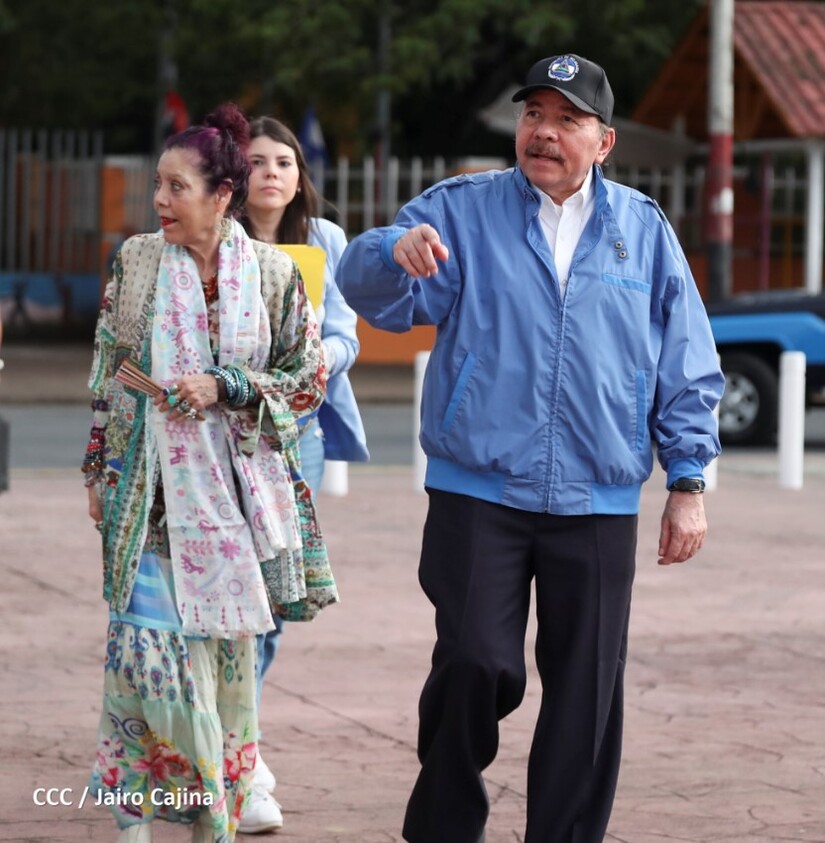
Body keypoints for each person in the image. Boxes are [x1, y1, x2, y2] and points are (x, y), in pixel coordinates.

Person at [336, 54, 725, 843]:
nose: (543, 133)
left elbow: (687, 360)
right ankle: (445, 827)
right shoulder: (458, 211)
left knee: (585, 691)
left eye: (566, 119)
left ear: (603, 141)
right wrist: (389, 251)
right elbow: (368, 287)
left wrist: (687, 478)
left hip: (599, 493)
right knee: (476, 661)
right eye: (532, 115)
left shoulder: (642, 231)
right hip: (479, 486)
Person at [82, 102, 334, 843]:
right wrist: (97, 468)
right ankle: (134, 822)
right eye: (157, 186)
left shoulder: (273, 272)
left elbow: (307, 377)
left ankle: (211, 817)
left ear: (221, 195)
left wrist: (227, 384)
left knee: (221, 666)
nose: (159, 201)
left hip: (235, 501)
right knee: (144, 656)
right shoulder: (135, 262)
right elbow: (108, 368)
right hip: (147, 494)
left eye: (175, 187)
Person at [237, 115, 368, 833]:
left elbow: (345, 328)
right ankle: (238, 753)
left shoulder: (324, 241)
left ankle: (235, 741)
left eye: (283, 161)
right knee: (234, 591)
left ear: (299, 173)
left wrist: (320, 359)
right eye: (256, 161)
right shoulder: (211, 241)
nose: (272, 173)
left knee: (277, 593)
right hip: (224, 436)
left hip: (300, 436)